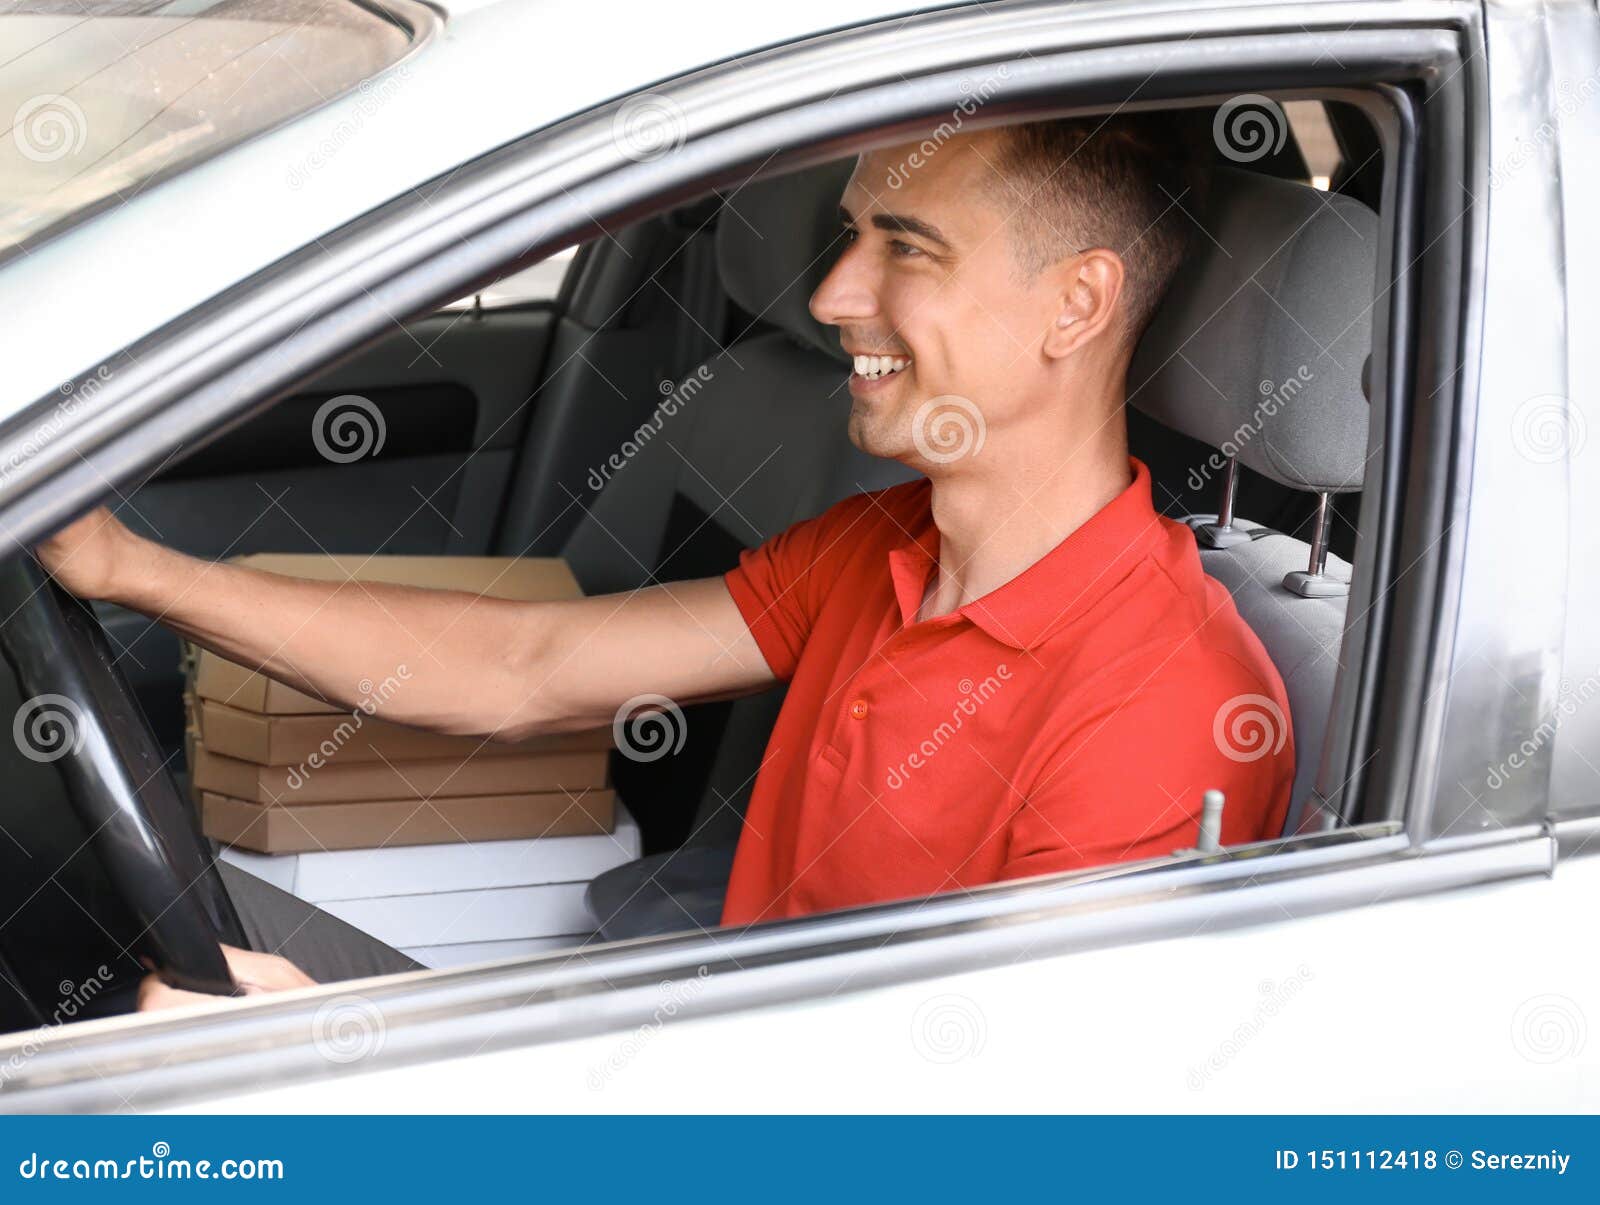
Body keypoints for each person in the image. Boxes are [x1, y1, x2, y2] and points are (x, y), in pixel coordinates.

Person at [37, 113, 1293, 1011]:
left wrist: (361, 1112)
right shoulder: (880, 547)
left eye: (905, 246)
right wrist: (133, 567)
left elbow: (962, 1133)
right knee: (126, 914)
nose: (834, 292)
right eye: (850, 235)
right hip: (682, 1074)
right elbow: (524, 665)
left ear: (1075, 306)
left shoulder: (1162, 708)